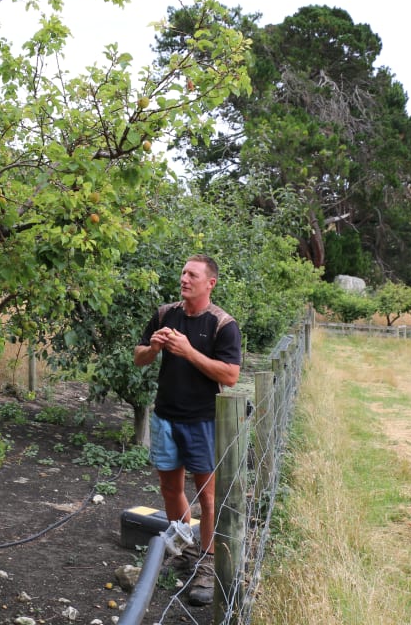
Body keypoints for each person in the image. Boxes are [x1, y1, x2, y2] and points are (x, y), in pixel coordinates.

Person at [133, 254, 241, 607]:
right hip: (165, 417)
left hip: (203, 421)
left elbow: (230, 375)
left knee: (207, 497)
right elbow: (138, 357)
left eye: (192, 275)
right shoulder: (166, 314)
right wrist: (154, 348)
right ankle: (185, 551)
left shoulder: (223, 324)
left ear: (210, 283)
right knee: (169, 489)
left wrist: (188, 351)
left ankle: (207, 565)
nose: (184, 279)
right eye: (182, 272)